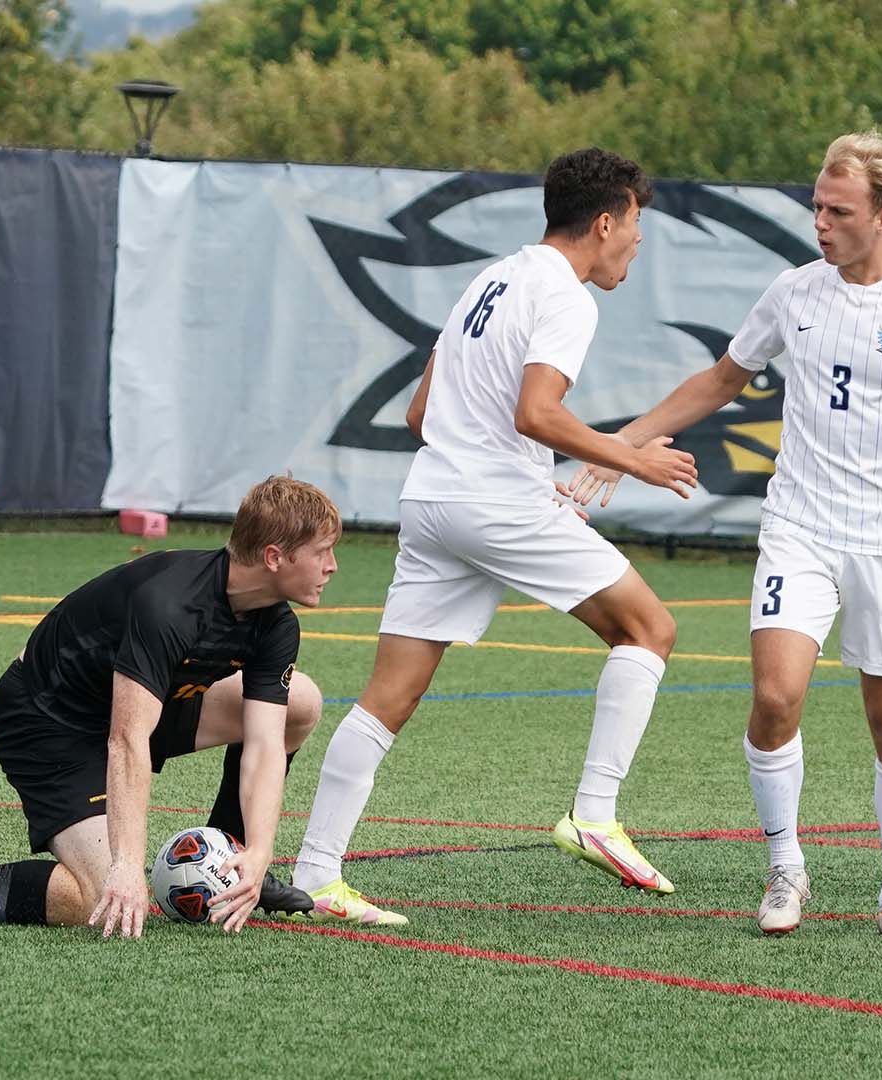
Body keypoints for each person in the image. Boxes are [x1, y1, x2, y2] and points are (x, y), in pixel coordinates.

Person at [565, 130, 882, 940]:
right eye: (816, 207)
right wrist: (624, 448)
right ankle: (785, 869)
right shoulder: (794, 292)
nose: (821, 223)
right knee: (775, 698)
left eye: (839, 211)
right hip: (799, 529)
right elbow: (721, 380)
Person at [287, 147, 699, 925]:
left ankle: (316, 873)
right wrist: (633, 459)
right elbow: (535, 414)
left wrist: (519, 474)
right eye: (636, 225)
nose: (638, 242)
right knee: (650, 628)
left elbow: (421, 415)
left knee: (388, 698)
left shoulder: (491, 276)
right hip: (488, 502)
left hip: (436, 498)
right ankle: (594, 815)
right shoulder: (570, 298)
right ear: (605, 221)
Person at [0, 477, 339, 937]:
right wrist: (126, 864)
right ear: (274, 557)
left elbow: (267, 745)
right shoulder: (169, 605)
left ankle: (230, 863)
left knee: (300, 702)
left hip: (145, 704)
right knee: (93, 898)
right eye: (322, 553)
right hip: (46, 721)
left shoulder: (276, 624)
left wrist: (259, 852)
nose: (332, 566)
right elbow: (126, 741)